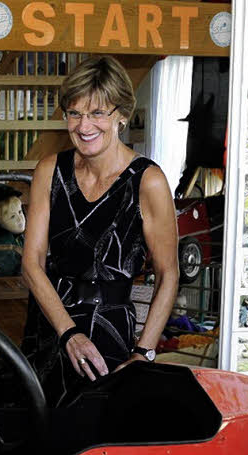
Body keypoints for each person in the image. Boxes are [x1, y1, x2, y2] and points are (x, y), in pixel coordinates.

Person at [21, 56, 179, 407]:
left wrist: (143, 354)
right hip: (48, 326)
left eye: (97, 113)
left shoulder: (147, 181)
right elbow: (31, 264)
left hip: (107, 334)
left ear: (121, 115)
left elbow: (168, 275)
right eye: (74, 113)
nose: (84, 125)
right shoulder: (50, 170)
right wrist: (68, 333)